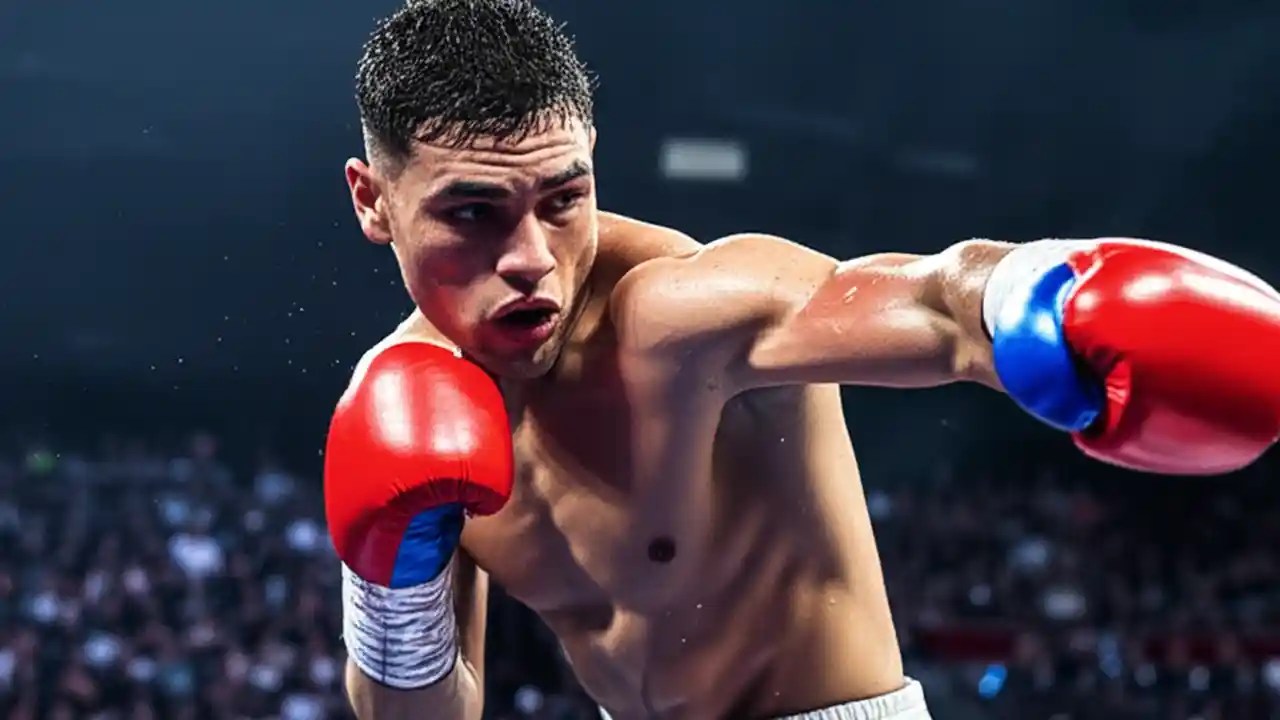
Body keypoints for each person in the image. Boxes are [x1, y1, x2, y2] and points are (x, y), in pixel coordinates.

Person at [323, 1, 1280, 718]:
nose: (532, 257)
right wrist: (391, 589)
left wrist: (1040, 301)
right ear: (374, 201)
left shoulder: (679, 315)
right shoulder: (408, 406)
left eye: (563, 198)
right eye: (472, 212)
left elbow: (939, 303)